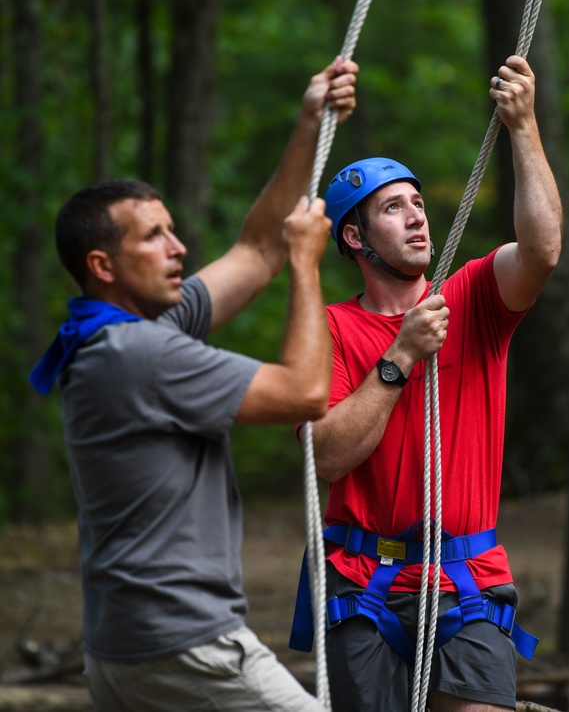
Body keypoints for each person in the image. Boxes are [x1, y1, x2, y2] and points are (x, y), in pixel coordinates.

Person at [28, 57, 359, 712]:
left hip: (123, 651)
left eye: (173, 230)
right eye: (154, 237)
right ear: (104, 265)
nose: (178, 247)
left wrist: (309, 121)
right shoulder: (143, 352)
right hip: (186, 651)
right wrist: (307, 263)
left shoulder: (117, 334)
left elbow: (257, 248)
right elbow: (305, 393)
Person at [291, 54, 562, 711]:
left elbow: (543, 250)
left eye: (417, 203)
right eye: (393, 209)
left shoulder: (470, 296)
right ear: (354, 236)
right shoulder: (327, 330)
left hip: (466, 577)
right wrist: (402, 356)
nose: (416, 217)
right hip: (361, 580)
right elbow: (327, 455)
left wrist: (522, 126)